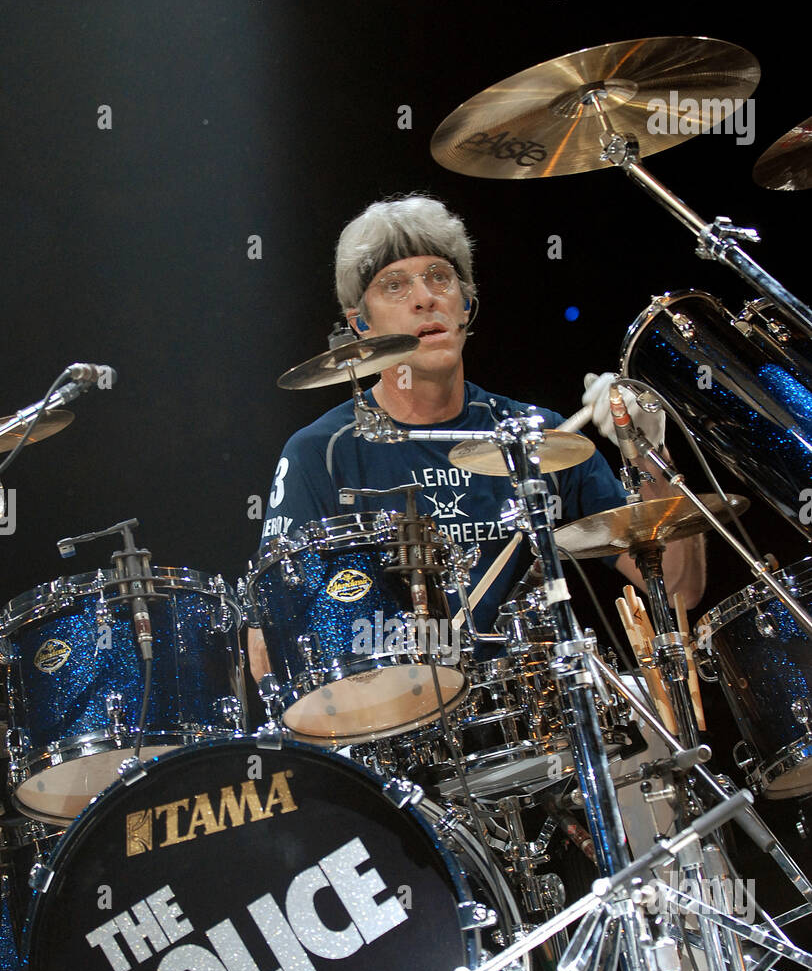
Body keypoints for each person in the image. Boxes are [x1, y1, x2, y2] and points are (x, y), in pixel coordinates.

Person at [248, 194, 705, 683]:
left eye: (439, 277)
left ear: (466, 303)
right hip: (403, 732)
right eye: (395, 286)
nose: (425, 298)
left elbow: (677, 590)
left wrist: (647, 451)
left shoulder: (538, 436)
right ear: (361, 323)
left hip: (545, 726)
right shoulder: (323, 451)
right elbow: (266, 650)